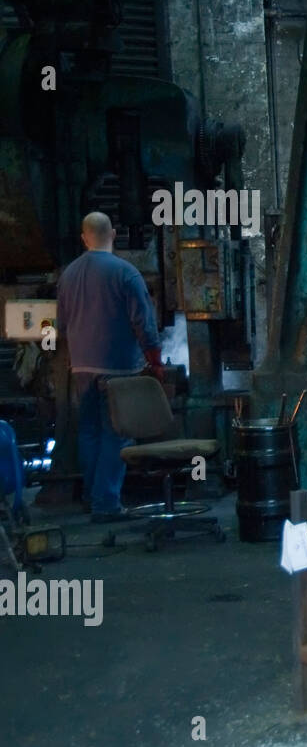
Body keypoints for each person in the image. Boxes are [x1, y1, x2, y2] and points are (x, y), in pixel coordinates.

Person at [56, 212, 164, 522]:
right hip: (118, 369)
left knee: (88, 432)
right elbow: (144, 323)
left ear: (83, 238)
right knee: (117, 434)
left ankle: (93, 497)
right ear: (113, 234)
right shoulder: (125, 273)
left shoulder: (68, 274)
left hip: (81, 370)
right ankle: (106, 504)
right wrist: (155, 362)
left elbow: (60, 325)